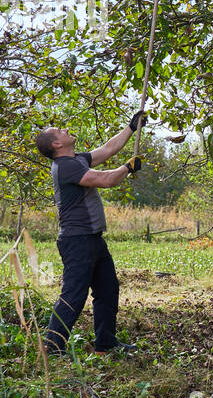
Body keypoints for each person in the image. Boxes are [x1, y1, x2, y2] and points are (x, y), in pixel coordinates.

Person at [34, 111, 147, 355]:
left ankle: (105, 345)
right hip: (77, 241)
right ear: (56, 144)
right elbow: (105, 180)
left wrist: (131, 128)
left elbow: (107, 150)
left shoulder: (76, 160)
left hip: (92, 238)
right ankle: (53, 348)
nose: (65, 130)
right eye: (60, 131)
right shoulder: (65, 167)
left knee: (108, 289)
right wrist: (127, 167)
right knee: (73, 295)